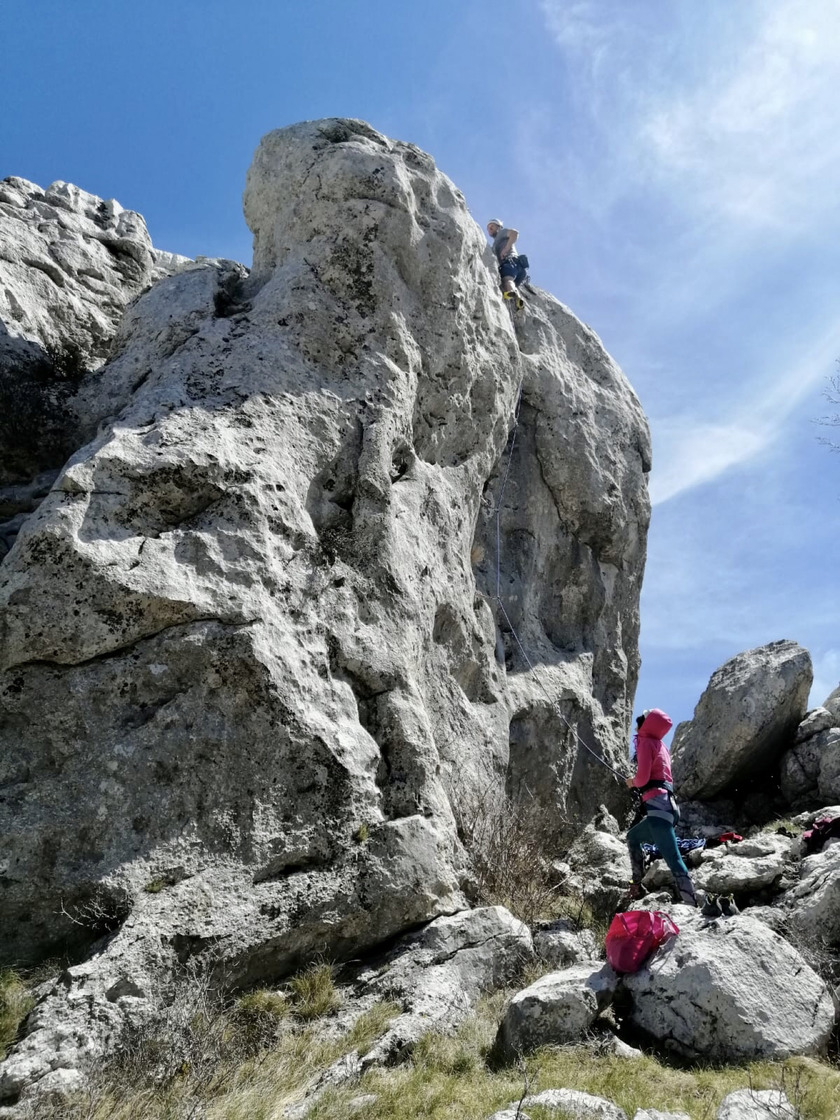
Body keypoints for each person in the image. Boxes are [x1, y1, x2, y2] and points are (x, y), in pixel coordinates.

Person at [625, 709, 697, 906]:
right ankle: (636, 886)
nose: (636, 726)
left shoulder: (645, 743)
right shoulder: (661, 746)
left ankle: (693, 904)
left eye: (639, 722)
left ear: (646, 724)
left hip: (659, 810)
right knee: (633, 837)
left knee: (674, 859)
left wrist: (632, 782)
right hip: (668, 808)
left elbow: (642, 779)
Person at [486, 219, 527, 310]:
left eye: (492, 226)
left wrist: (506, 248)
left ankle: (512, 293)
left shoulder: (501, 233)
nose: (490, 228)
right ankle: (518, 300)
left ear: (499, 227)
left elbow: (514, 233)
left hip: (510, 262)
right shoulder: (495, 245)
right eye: (488, 228)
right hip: (519, 267)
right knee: (511, 283)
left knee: (507, 280)